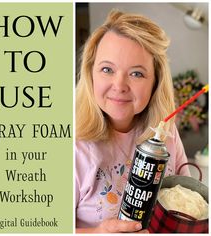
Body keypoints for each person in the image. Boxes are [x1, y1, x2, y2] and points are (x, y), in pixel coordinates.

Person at [75, 10, 190, 233]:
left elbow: (187, 200)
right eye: (107, 69)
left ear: (155, 82)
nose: (119, 85)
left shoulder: (166, 133)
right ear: (90, 74)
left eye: (136, 74)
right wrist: (98, 232)